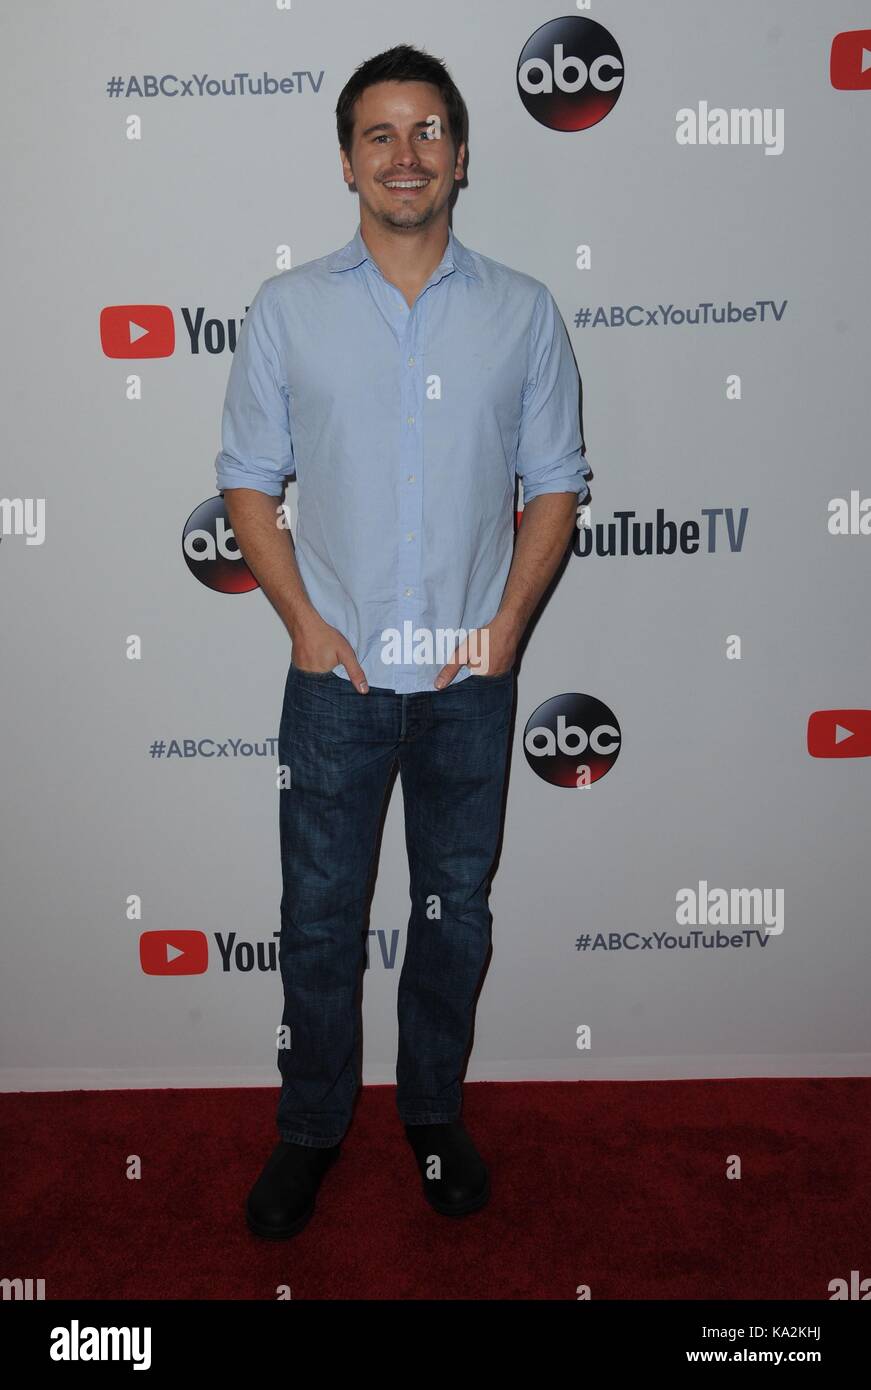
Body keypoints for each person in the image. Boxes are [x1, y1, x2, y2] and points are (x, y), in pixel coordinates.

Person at [214, 43, 593, 1239]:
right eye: (379, 135)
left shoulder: (524, 312)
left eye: (427, 130)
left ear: (463, 153)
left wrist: (507, 631)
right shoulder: (288, 311)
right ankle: (311, 1127)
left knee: (456, 910)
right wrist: (307, 627)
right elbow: (243, 487)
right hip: (336, 679)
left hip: (470, 686)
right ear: (345, 161)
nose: (405, 155)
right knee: (319, 917)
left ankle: (431, 1111)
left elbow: (555, 487)